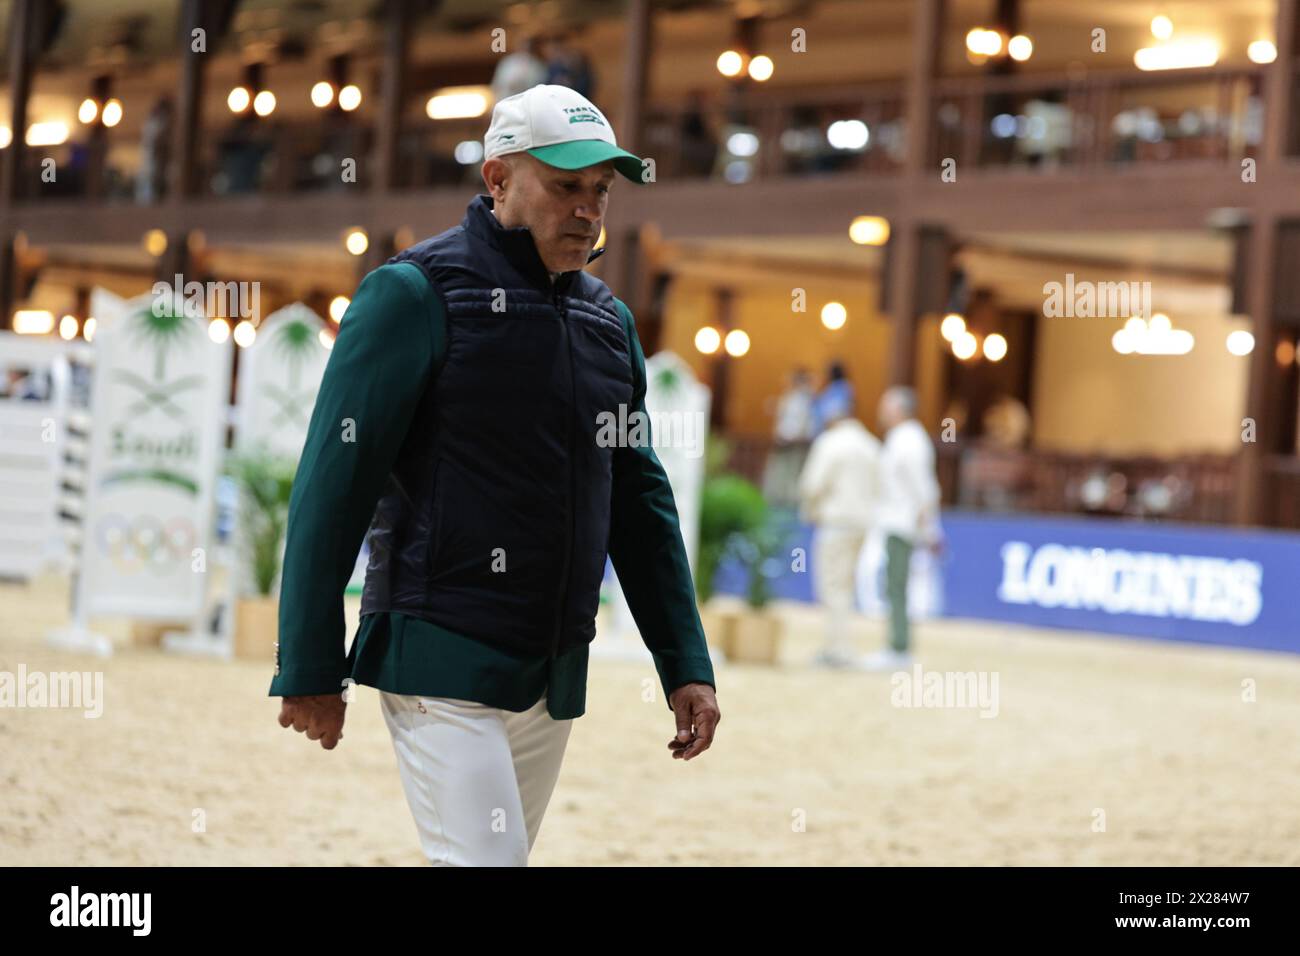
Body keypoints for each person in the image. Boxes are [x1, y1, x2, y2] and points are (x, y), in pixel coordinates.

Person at [270, 84, 720, 867]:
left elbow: (639, 503)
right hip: (437, 657)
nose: (588, 210)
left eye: (599, 192)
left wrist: (684, 662)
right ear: (498, 179)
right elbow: (332, 485)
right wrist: (309, 663)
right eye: (565, 186)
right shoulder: (411, 294)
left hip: (553, 679)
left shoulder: (609, 323)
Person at [861, 386, 941, 670]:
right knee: (894, 584)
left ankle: (898, 647)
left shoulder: (910, 441)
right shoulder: (902, 438)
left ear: (898, 409)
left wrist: (929, 528)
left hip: (903, 522)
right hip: (895, 521)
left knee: (897, 585)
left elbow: (924, 488)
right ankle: (897, 644)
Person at [797, 407, 881, 668]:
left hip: (835, 523)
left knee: (832, 587)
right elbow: (881, 485)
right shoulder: (871, 444)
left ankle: (836, 649)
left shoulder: (830, 443)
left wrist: (809, 511)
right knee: (846, 586)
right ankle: (842, 646)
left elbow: (812, 484)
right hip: (862, 524)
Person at [762, 367, 815, 507]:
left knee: (791, 480)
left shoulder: (805, 400)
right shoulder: (790, 398)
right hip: (784, 443)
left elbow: (803, 425)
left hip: (794, 445)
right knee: (779, 479)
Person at [491, 35, 548, 103]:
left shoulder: (537, 66)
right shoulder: (507, 62)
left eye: (527, 45)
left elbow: (537, 86)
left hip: (525, 102)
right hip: (505, 100)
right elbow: (497, 84)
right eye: (522, 45)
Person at [811, 360, 854, 436]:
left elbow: (835, 413)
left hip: (835, 431)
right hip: (823, 431)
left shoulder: (842, 388)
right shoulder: (830, 388)